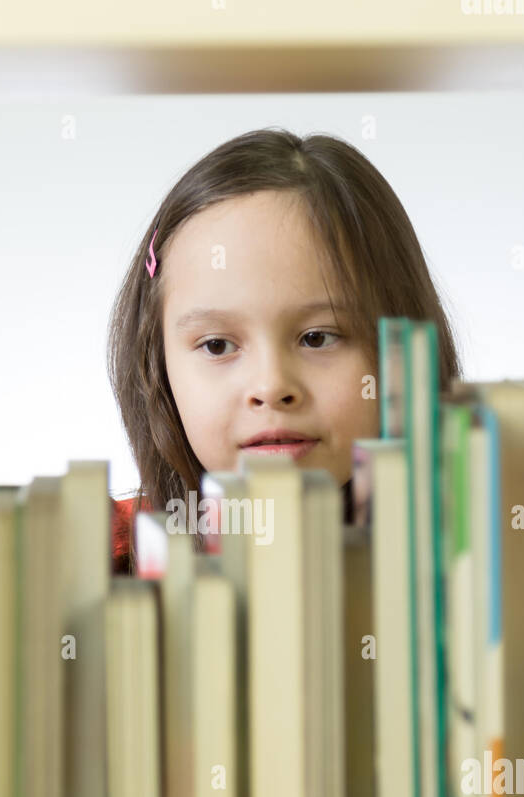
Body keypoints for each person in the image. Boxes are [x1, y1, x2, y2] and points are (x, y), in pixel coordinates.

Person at [106, 127, 460, 574]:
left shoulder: (481, 562)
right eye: (217, 345)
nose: (271, 387)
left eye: (317, 337)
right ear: (158, 368)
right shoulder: (95, 561)